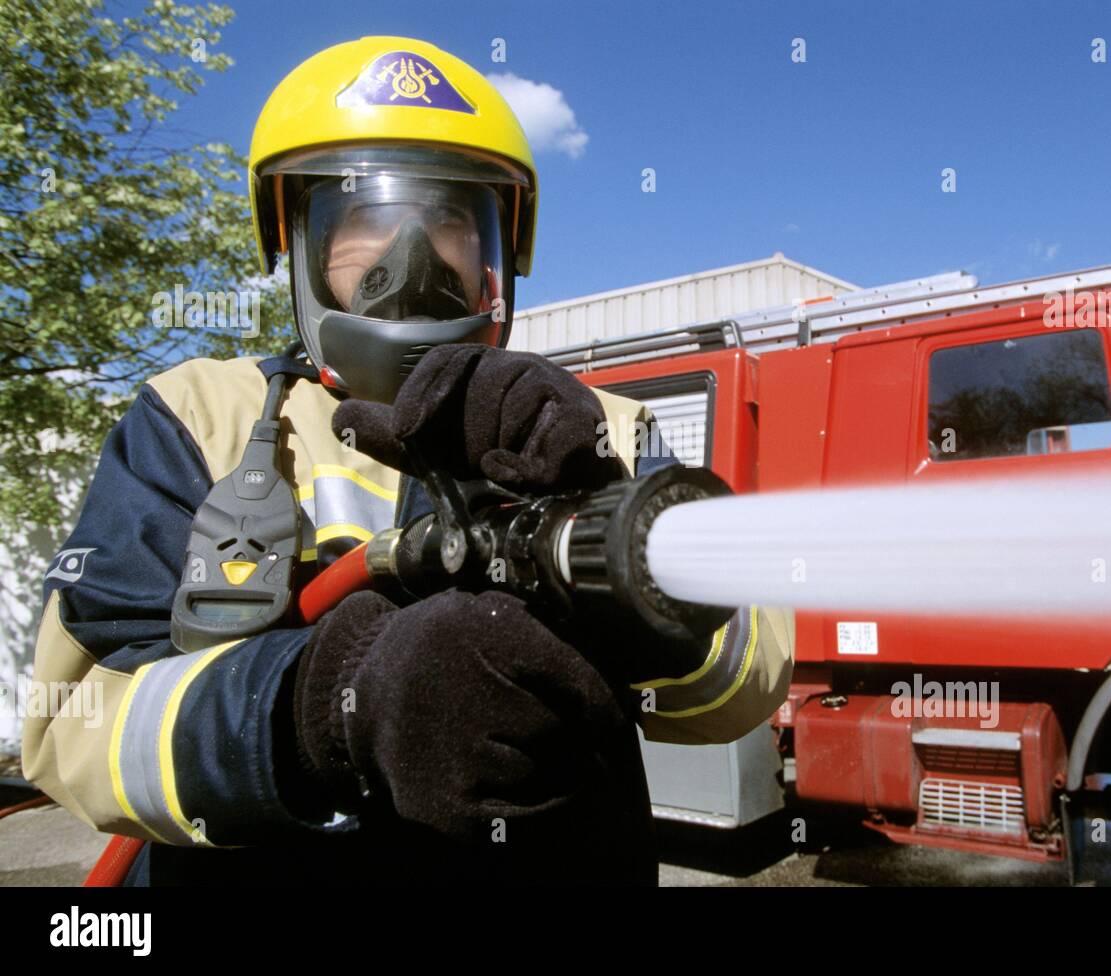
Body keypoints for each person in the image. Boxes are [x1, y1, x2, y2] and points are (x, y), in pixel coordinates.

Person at [21, 36, 793, 885]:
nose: (413, 256)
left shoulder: (604, 426)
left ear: (500, 254)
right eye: (366, 217)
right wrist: (321, 708)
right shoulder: (202, 414)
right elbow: (76, 727)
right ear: (301, 241)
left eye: (451, 217)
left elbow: (744, 684)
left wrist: (616, 542)